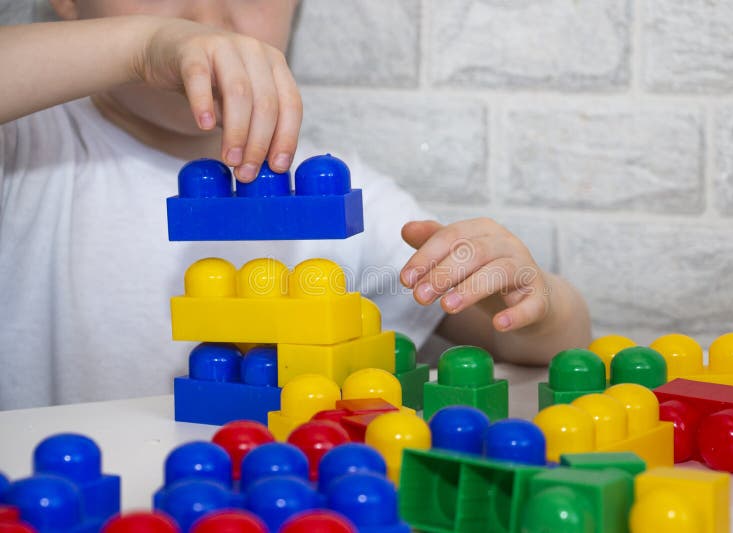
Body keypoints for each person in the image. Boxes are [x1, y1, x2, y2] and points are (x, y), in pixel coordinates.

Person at [0, 0, 591, 409]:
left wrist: (533, 299)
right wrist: (142, 44)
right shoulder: (26, 144)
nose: (207, 16)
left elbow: (549, 347)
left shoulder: (333, 197)